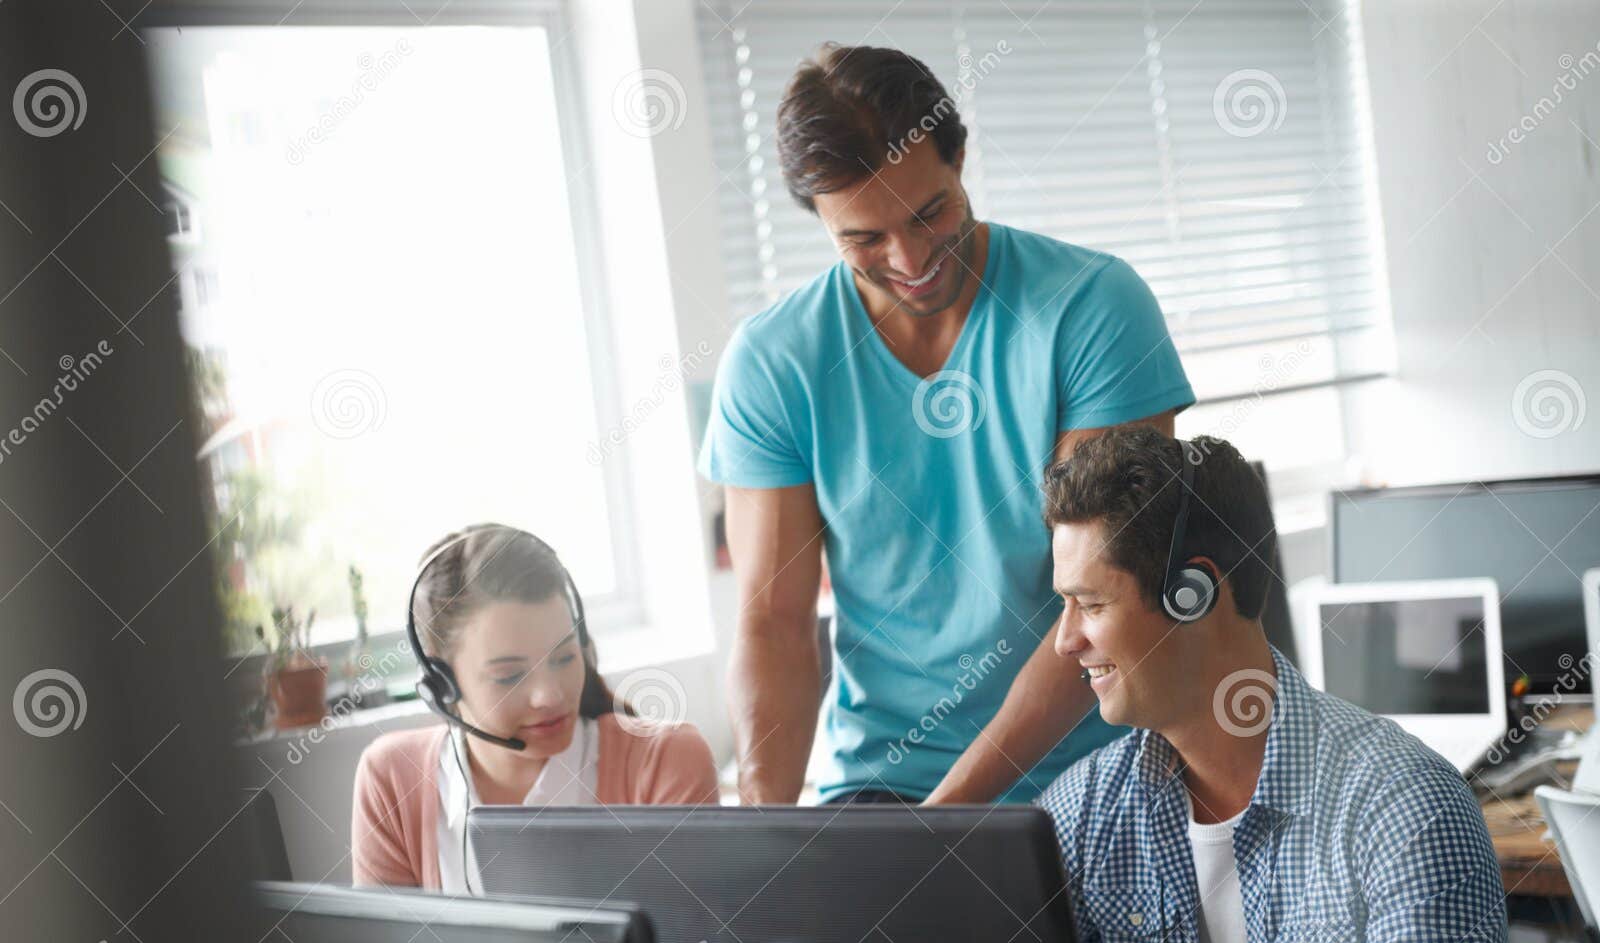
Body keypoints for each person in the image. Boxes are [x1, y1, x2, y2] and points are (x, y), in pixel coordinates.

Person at [698, 43, 1195, 806]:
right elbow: (773, 625)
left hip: (1101, 766)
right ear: (818, 219)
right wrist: (775, 845)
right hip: (882, 779)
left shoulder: (1093, 307)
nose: (911, 256)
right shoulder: (774, 361)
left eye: (929, 212)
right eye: (863, 237)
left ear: (958, 159)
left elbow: (1102, 600)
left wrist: (945, 824)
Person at [1035, 427, 1520, 943]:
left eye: (1090, 604)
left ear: (1194, 594)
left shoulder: (1404, 813)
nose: (1065, 641)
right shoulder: (1084, 811)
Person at [352, 525, 718, 893]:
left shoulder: (666, 761)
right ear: (442, 684)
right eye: (509, 675)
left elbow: (686, 941)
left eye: (563, 658)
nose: (550, 696)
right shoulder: (391, 778)